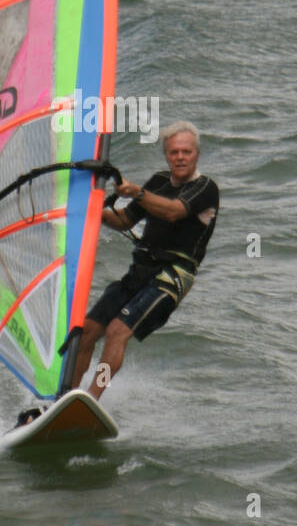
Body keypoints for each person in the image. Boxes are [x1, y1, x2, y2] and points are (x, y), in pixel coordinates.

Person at [71, 120, 219, 398]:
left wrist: (138, 192)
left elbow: (174, 211)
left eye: (186, 152)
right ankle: (66, 397)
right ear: (166, 155)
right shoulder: (159, 182)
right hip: (139, 272)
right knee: (88, 330)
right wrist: (89, 208)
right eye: (174, 152)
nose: (180, 157)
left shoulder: (206, 188)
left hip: (171, 277)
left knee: (117, 331)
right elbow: (125, 220)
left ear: (197, 154)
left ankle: (91, 397)